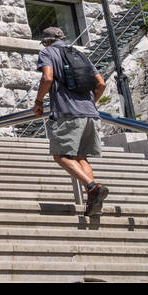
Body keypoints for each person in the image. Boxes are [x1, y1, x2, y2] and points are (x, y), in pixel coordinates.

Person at [32, 25, 109, 217]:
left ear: (46, 41)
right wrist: (91, 102)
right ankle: (93, 203)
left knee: (61, 156)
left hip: (67, 113)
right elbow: (101, 83)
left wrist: (39, 101)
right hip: (90, 113)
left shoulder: (47, 52)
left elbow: (47, 78)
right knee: (81, 157)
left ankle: (92, 187)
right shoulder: (80, 54)